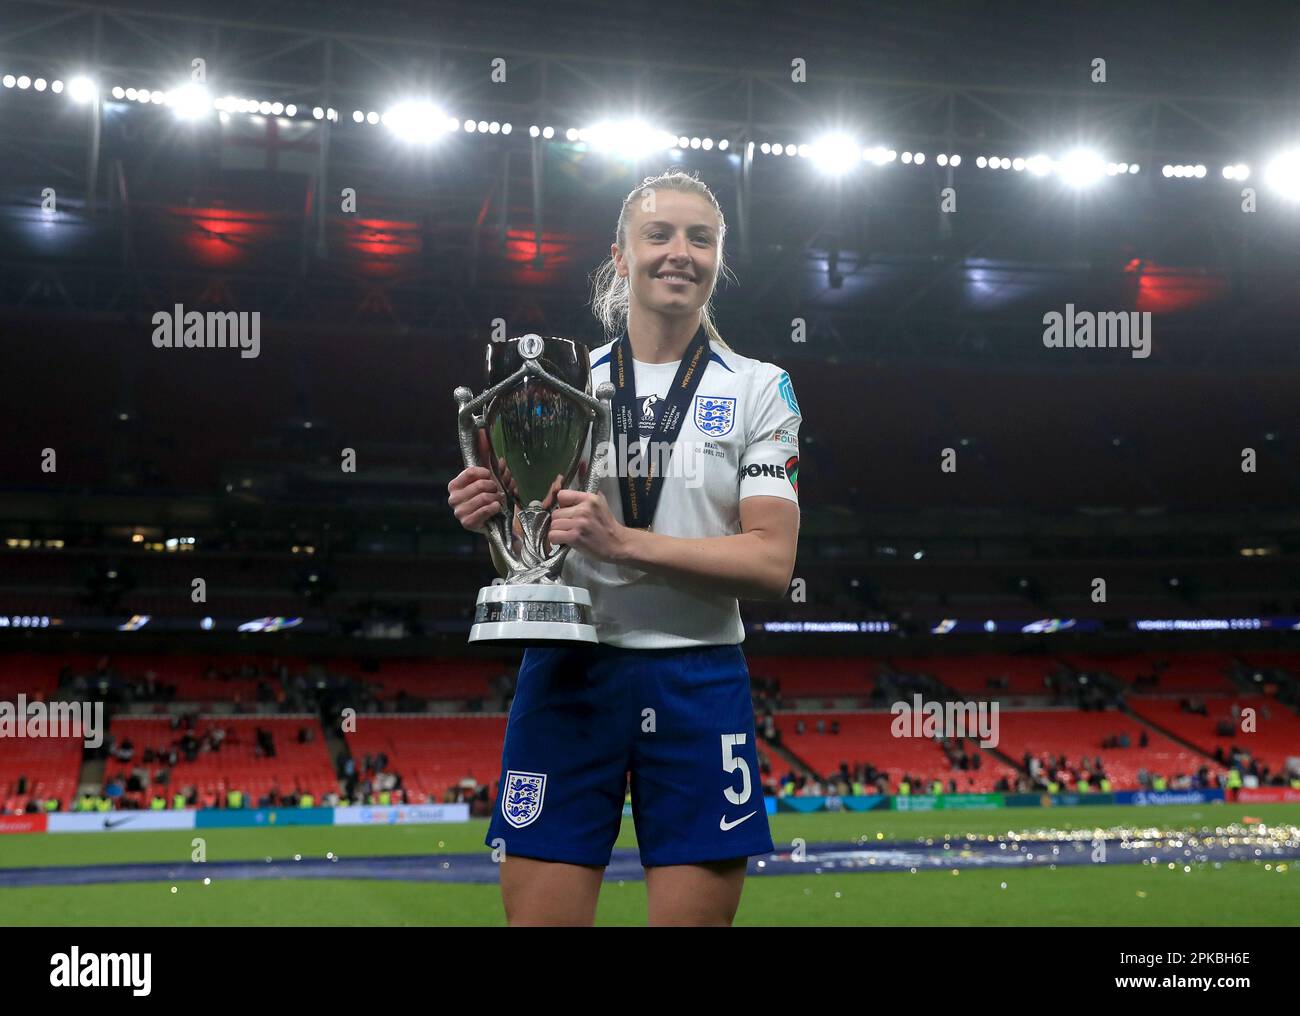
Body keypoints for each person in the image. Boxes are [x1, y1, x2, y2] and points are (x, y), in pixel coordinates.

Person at [447, 170, 800, 927]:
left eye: (700, 238)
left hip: (698, 680)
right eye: (659, 234)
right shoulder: (553, 380)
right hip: (571, 673)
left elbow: (771, 564)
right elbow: (534, 539)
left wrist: (625, 542)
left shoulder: (760, 388)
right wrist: (495, 519)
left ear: (719, 258)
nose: (680, 253)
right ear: (620, 255)